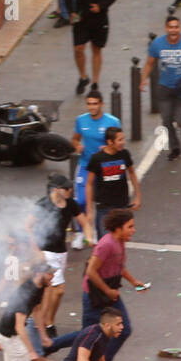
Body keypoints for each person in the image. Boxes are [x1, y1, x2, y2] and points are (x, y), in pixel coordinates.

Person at [45, 210, 144, 361]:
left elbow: (119, 266)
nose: (133, 230)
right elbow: (91, 271)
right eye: (130, 226)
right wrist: (108, 291)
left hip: (110, 294)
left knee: (123, 330)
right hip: (95, 296)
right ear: (118, 228)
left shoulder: (120, 242)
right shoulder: (106, 245)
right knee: (87, 336)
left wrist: (133, 281)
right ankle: (50, 346)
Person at [27, 173, 93, 340]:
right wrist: (36, 251)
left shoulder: (71, 204)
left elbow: (84, 223)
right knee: (54, 289)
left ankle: (47, 322)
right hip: (45, 252)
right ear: (56, 190)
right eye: (66, 188)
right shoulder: (42, 205)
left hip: (61, 252)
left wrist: (88, 237)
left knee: (56, 293)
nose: (70, 190)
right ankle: (43, 326)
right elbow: (27, 227)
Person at [141, 16, 181, 161]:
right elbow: (149, 63)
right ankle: (175, 148)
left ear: (180, 28)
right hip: (164, 88)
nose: (173, 30)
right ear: (166, 29)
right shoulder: (157, 44)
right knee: (166, 120)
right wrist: (143, 80)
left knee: (179, 118)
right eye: (170, 27)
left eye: (176, 27)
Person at [69, 91, 121, 248]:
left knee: (103, 203)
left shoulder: (112, 122)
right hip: (85, 165)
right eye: (89, 104)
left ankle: (99, 232)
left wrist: (108, 147)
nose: (91, 107)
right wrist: (77, 146)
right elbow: (75, 138)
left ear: (101, 104)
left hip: (105, 167)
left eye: (94, 103)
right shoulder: (81, 120)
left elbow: (119, 144)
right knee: (81, 201)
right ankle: (80, 233)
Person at [67, 0, 117, 95]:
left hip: (99, 18)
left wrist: (101, 6)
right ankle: (83, 76)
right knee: (78, 49)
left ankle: (95, 81)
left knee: (96, 49)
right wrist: (72, 12)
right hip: (81, 17)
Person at [84, 129, 140, 238]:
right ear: (110, 142)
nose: (123, 142)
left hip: (122, 206)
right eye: (120, 140)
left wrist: (138, 197)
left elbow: (132, 173)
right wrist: (89, 211)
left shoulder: (124, 154)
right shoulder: (97, 158)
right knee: (105, 241)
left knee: (121, 240)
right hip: (104, 207)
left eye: (123, 139)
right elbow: (89, 184)